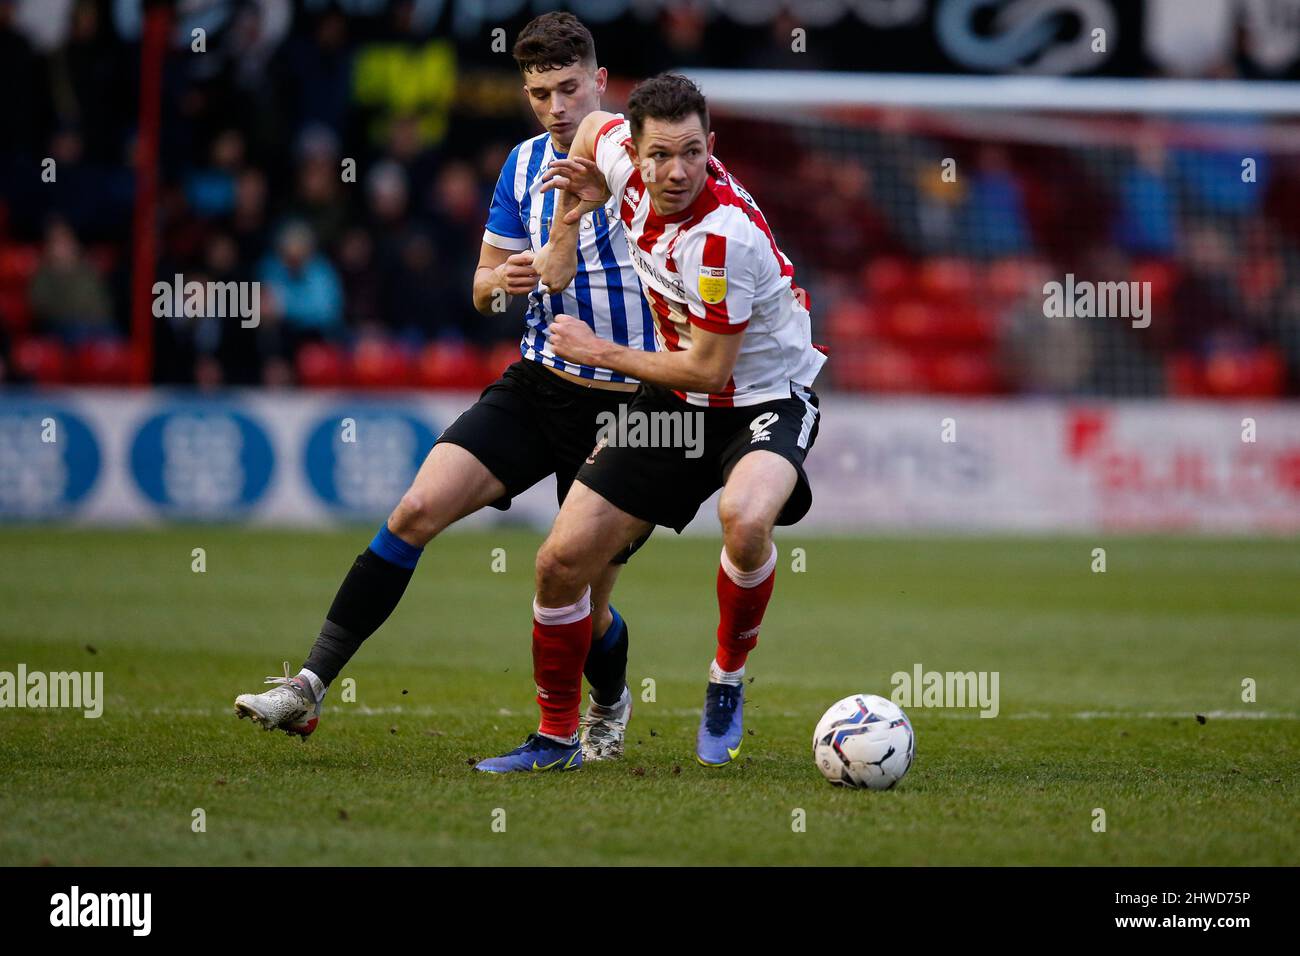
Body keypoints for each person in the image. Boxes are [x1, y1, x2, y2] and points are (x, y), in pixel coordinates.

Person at [233, 13, 655, 762]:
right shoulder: (522, 165)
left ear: (600, 81)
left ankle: (610, 701)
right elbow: (481, 291)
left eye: (567, 89)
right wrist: (504, 280)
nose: (555, 108)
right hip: (538, 385)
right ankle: (307, 687)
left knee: (584, 603)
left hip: (630, 407)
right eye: (538, 93)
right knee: (415, 508)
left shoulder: (647, 162)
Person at [474, 73, 825, 773]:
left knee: (746, 519)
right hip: (672, 409)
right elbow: (584, 131)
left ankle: (726, 676)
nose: (676, 172)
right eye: (659, 155)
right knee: (559, 562)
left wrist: (598, 351)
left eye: (693, 153)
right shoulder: (608, 144)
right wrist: (578, 213)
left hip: (758, 399)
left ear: (711, 147)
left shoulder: (723, 238)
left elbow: (707, 372)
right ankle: (555, 738)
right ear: (632, 152)